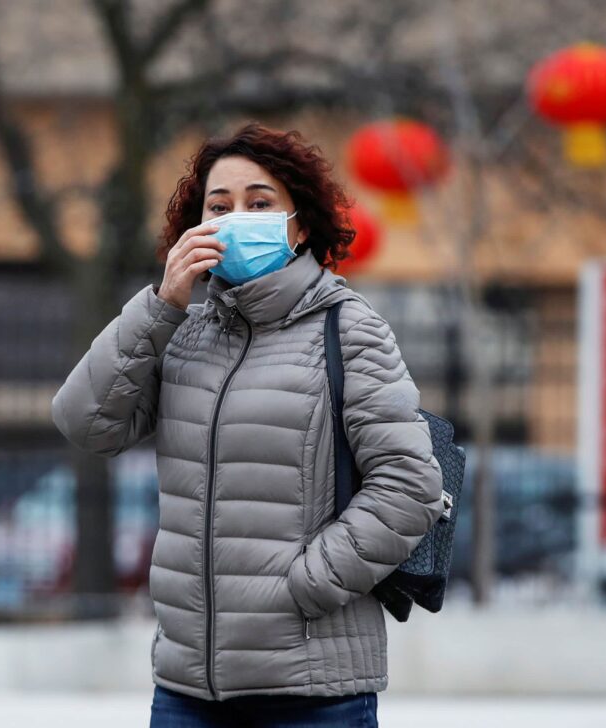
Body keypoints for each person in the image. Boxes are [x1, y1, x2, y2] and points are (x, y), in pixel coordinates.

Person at [52, 122, 446, 728]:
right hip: (187, 690)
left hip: (313, 692)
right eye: (219, 206)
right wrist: (160, 306)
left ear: (301, 225)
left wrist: (304, 586)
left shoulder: (347, 330)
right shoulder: (183, 333)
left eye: (260, 204)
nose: (238, 218)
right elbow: (86, 422)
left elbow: (409, 486)